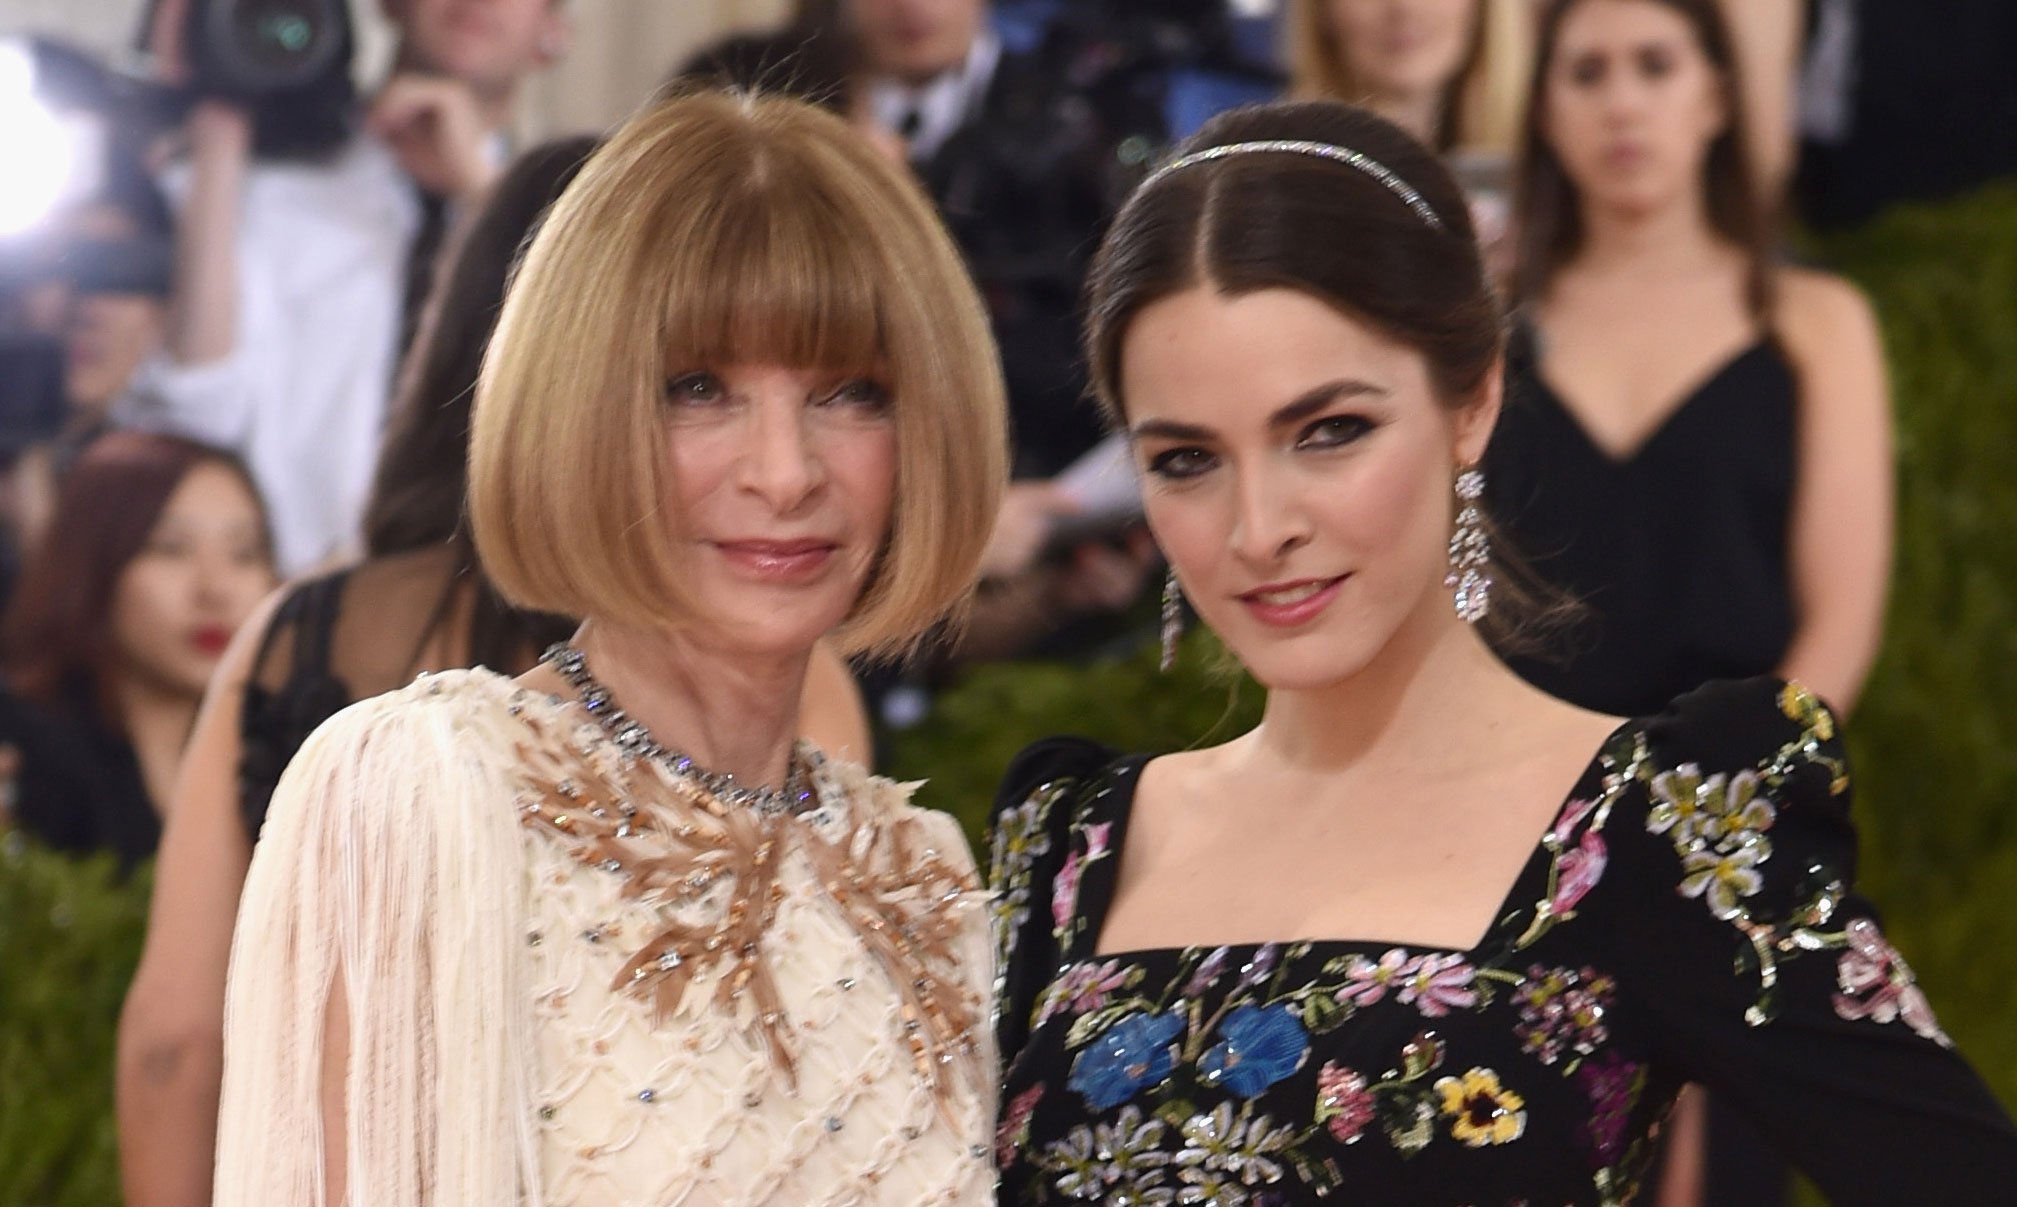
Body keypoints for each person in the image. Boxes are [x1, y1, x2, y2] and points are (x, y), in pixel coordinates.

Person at [988, 99, 2017, 1204]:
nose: (1257, 527)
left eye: (1329, 430)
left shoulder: (1661, 829)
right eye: (1188, 458)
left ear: (1471, 399)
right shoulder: (1070, 843)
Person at [210, 91, 1006, 1205]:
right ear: (583, 408)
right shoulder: (427, 789)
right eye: (699, 390)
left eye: (848, 393)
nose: (785, 472)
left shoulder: (921, 874)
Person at [1487, 1, 1897, 1199]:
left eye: (1654, 66)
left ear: (1715, 96)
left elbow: (1841, 613)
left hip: (1731, 821)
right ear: (1544, 105)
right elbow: (1455, 576)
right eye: (1588, 71)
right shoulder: (1478, 330)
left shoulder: (1814, 323)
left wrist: (1710, 810)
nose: (1622, 101)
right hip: (1513, 822)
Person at [114, 0, 571, 573]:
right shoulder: (264, 186)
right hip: (279, 591)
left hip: (484, 605)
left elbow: (583, 416)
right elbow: (192, 414)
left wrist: (486, 203)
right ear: (389, 6)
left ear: (555, 31)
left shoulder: (574, 215)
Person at [0, 431, 274, 870]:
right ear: (94, 565)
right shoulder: (27, 747)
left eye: (244, 554)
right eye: (170, 550)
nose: (215, 589)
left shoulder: (285, 750)